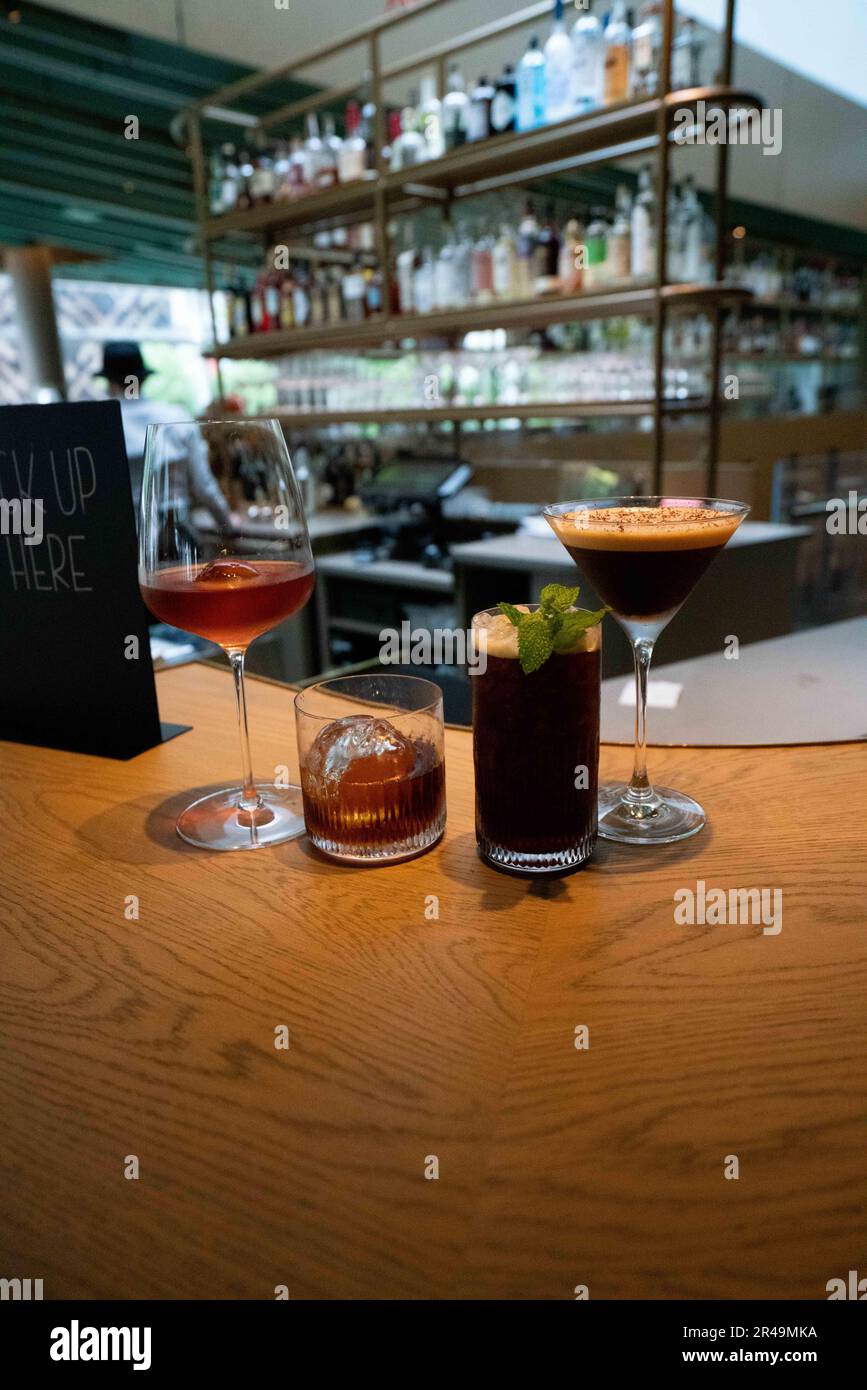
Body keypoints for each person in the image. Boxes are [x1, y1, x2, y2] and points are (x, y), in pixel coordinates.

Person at [99, 341, 230, 531]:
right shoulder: (175, 417)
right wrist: (227, 522)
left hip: (123, 535)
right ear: (142, 379)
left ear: (109, 381)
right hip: (175, 533)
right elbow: (204, 487)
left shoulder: (102, 426)